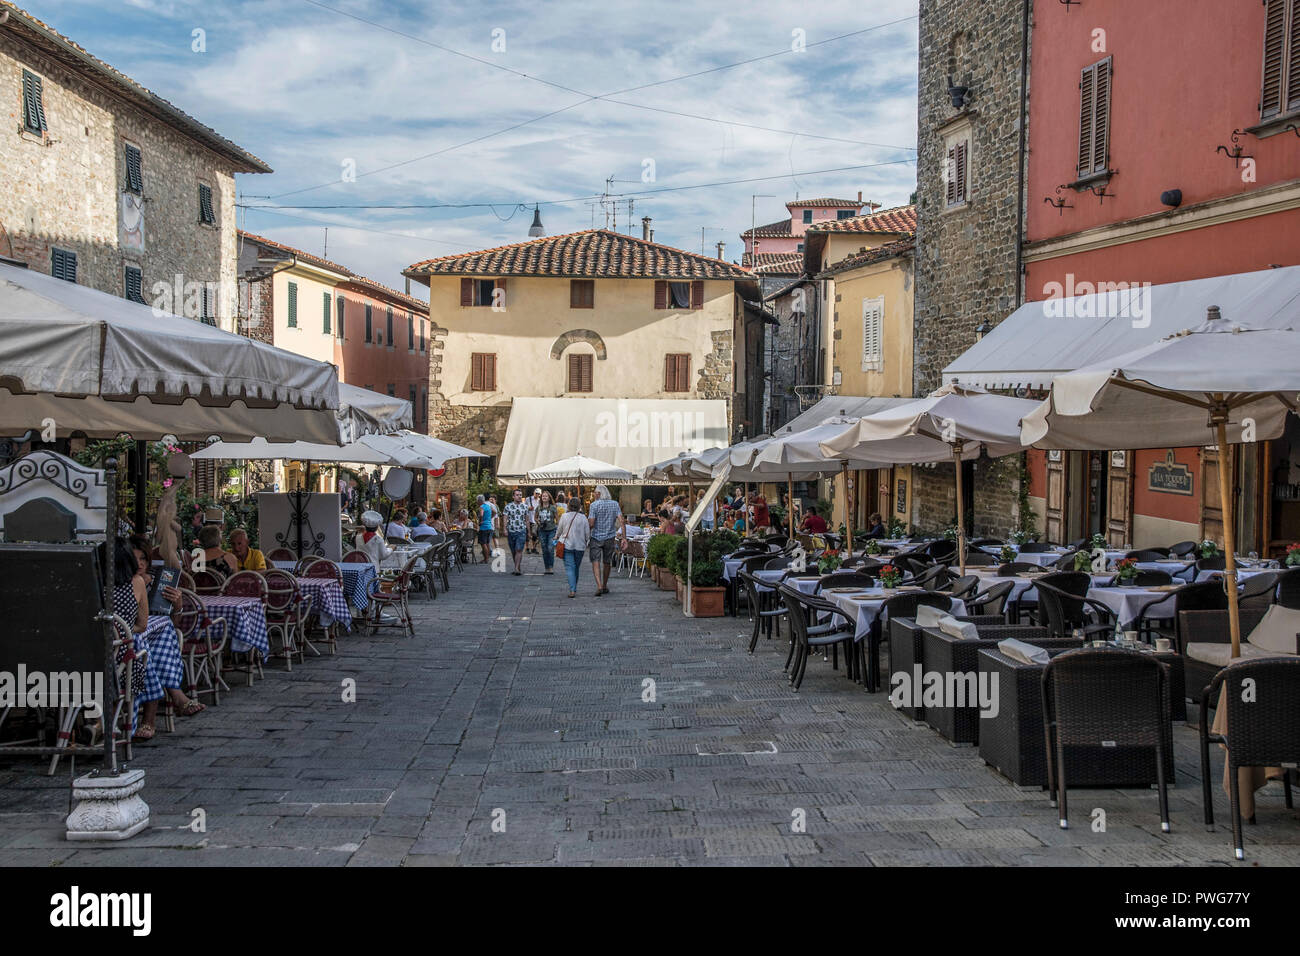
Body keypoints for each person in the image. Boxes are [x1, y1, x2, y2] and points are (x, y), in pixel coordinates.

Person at [124, 537, 205, 739]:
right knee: (148, 648)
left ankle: (151, 719)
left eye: (143, 558)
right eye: (135, 559)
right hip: (130, 645)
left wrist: (177, 605)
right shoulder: (122, 584)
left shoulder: (159, 582)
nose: (140, 563)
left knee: (154, 644)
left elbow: (175, 623)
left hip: (151, 640)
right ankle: (175, 696)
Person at [587, 484, 624, 596]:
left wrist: (586, 531)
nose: (594, 494)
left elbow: (592, 523)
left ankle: (598, 586)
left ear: (599, 493)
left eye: (595, 493)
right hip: (610, 537)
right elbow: (622, 521)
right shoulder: (615, 504)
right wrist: (625, 538)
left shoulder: (594, 505)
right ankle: (604, 585)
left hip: (596, 537)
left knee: (595, 560)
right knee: (607, 561)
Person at [556, 496, 590, 598]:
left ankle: (572, 589)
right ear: (579, 506)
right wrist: (586, 541)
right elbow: (587, 534)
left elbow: (560, 530)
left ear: (569, 506)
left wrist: (556, 536)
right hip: (580, 546)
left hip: (567, 545)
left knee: (570, 568)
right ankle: (574, 588)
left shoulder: (564, 516)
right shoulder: (583, 517)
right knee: (576, 568)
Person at [503, 488, 530, 575]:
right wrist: (504, 529)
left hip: (521, 530)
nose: (519, 497)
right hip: (511, 530)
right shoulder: (508, 506)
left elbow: (527, 520)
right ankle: (517, 567)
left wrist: (528, 531)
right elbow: (505, 518)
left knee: (518, 550)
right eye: (517, 495)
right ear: (513, 496)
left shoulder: (525, 506)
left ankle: (516, 568)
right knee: (513, 551)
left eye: (520, 495)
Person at [534, 491, 559, 575]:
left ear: (549, 498)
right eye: (543, 496)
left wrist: (557, 530)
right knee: (544, 549)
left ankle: (551, 567)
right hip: (542, 531)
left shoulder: (553, 507)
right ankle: (546, 567)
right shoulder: (538, 507)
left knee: (550, 548)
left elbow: (557, 519)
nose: (544, 497)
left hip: (552, 530)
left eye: (546, 496)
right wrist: (538, 522)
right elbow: (535, 517)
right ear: (541, 498)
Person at [475, 494, 495, 563]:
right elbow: (495, 512)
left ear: (479, 501)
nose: (476, 502)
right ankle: (487, 558)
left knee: (483, 544)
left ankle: (486, 559)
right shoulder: (488, 506)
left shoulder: (481, 507)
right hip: (490, 527)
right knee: (487, 543)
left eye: (477, 501)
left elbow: (481, 515)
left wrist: (480, 521)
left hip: (484, 527)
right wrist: (490, 518)